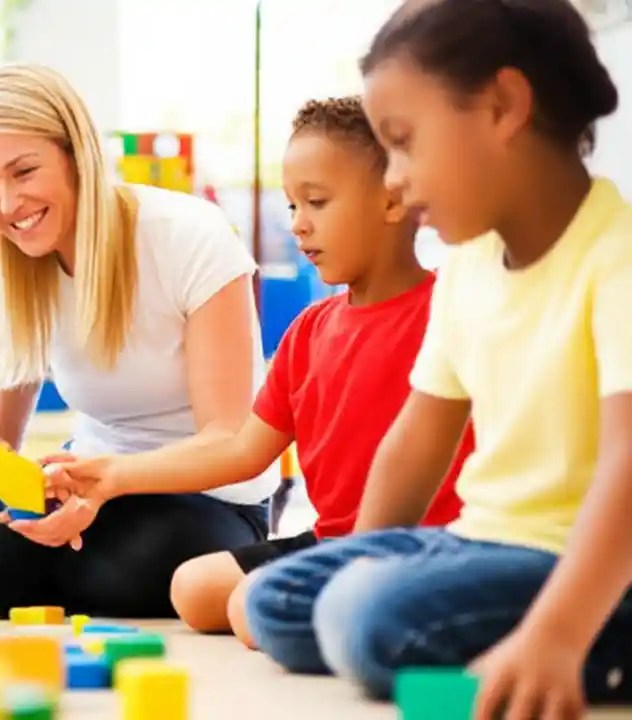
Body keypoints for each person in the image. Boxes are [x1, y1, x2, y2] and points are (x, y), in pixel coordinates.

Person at [242, 1, 632, 717]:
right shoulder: (471, 266)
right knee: (278, 598)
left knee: (364, 617)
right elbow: (416, 441)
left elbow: (628, 464)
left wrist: (555, 633)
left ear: (503, 108)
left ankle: (587, 641)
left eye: (403, 143)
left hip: (593, 564)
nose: (392, 178)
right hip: (480, 544)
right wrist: (357, 558)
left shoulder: (616, 259)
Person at [49, 96, 471, 641]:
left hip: (432, 544)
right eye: (292, 206)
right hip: (332, 542)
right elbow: (241, 451)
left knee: (254, 607)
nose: (298, 226)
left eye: (316, 202)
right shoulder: (309, 332)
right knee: (195, 589)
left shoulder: (454, 309)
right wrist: (112, 474)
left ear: (394, 200)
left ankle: (364, 618)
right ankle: (342, 613)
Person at [0, 63, 278, 618]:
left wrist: (108, 481)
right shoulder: (10, 263)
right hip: (88, 479)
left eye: (24, 172)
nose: (10, 204)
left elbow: (228, 439)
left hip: (208, 495)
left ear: (75, 154)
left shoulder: (190, 235)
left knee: (136, 565)